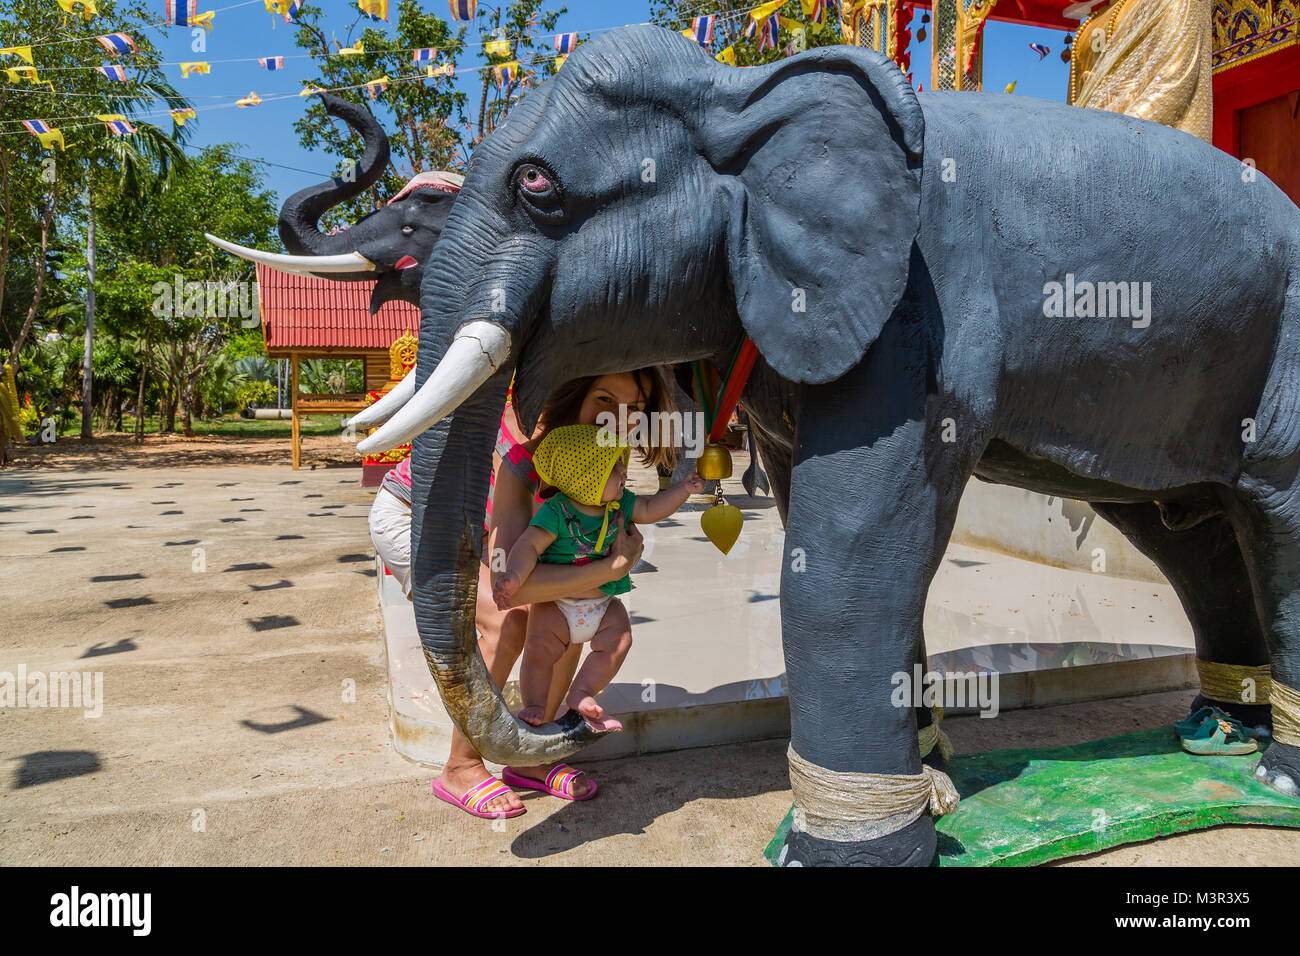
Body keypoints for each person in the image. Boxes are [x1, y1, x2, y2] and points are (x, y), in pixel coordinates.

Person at [370, 369, 678, 817]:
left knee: (568, 614)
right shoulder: (524, 448)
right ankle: (460, 766)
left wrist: (598, 574)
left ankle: (535, 754)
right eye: (604, 399)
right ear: (572, 389)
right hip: (415, 517)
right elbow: (508, 589)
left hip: (483, 532)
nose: (617, 419)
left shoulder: (603, 451)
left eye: (632, 409)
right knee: (508, 622)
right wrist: (614, 566)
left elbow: (578, 574)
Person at [494, 425, 703, 742]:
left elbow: (650, 507)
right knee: (538, 651)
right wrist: (514, 576)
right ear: (586, 477)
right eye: (615, 468)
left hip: (603, 605)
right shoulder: (557, 512)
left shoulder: (620, 505)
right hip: (557, 606)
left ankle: (581, 693)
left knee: (619, 641)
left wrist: (682, 490)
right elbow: (528, 547)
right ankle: (535, 704)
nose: (624, 473)